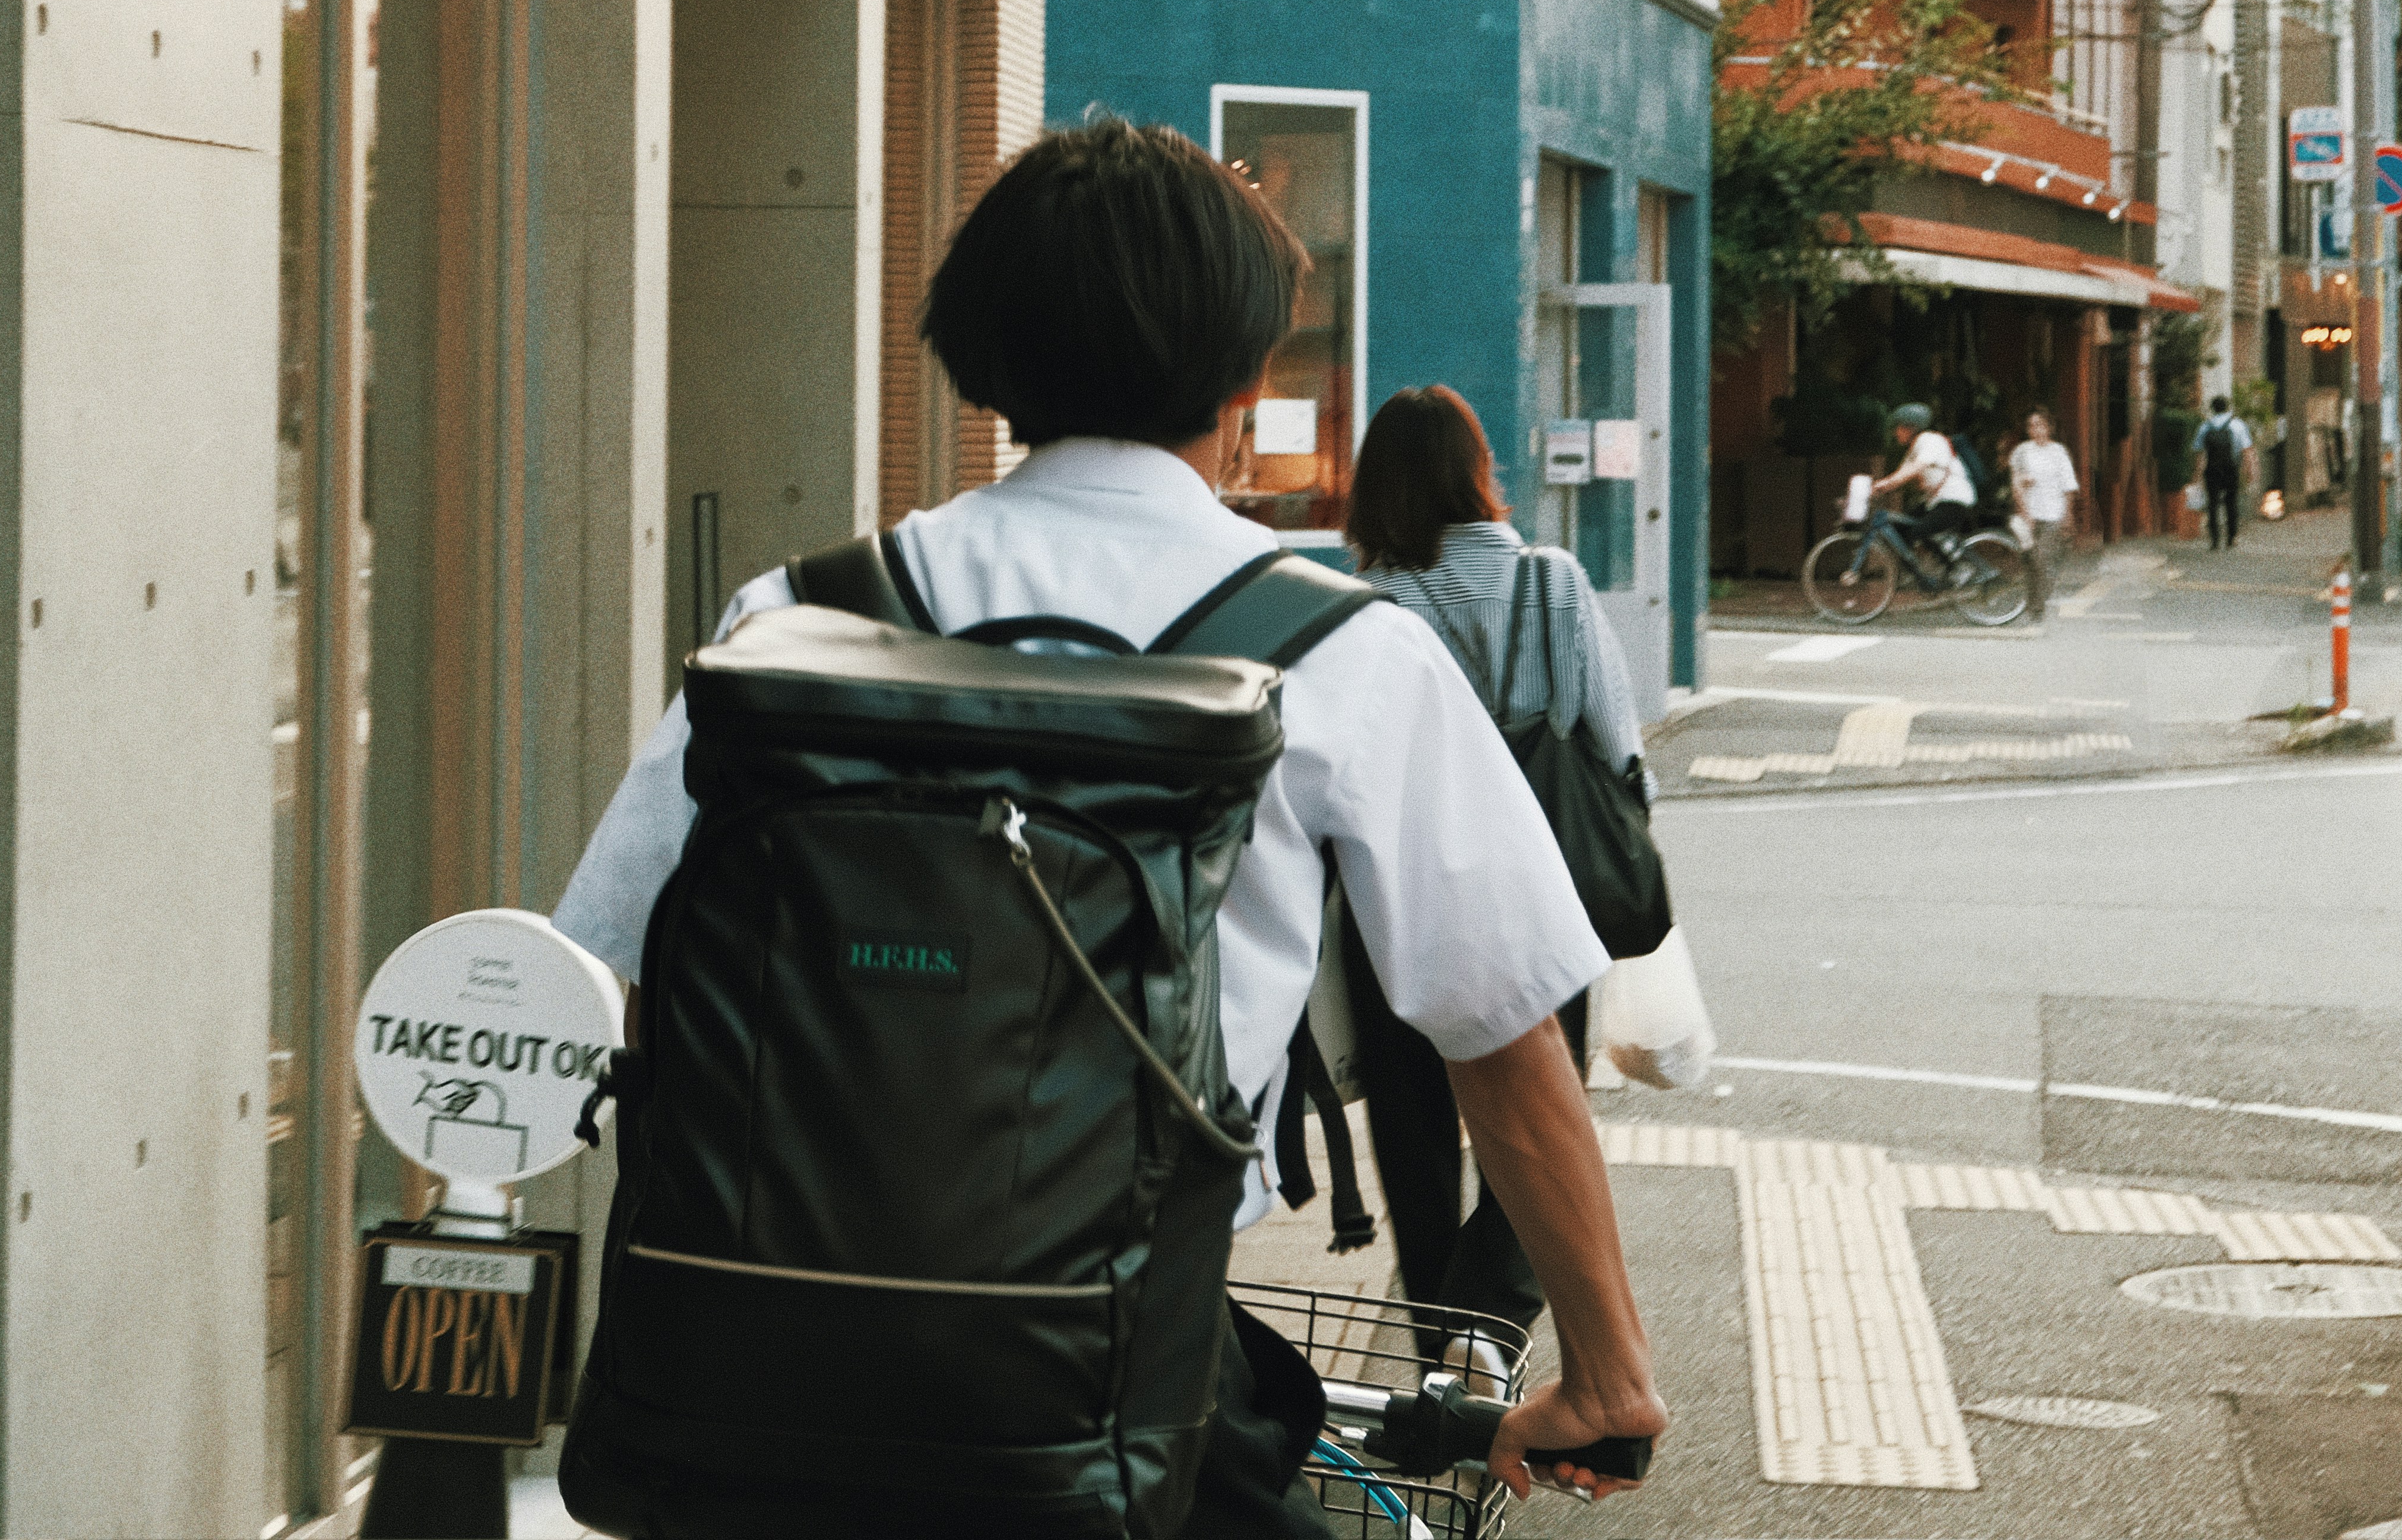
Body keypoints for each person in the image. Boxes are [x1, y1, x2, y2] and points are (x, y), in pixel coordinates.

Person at [550, 119, 1664, 1519]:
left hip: (764, 1375)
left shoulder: (801, 616)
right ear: (1248, 367)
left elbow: (645, 964)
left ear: (982, 349)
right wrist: (1606, 1375)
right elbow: (1502, 1038)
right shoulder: (1337, 651)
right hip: (1133, 1393)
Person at [1341, 385, 1647, 1375]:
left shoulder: (1372, 607)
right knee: (1544, 1106)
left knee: (1415, 1126)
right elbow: (1618, 744)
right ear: (1480, 472)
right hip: (1547, 892)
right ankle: (1488, 1319)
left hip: (1402, 902)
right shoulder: (1555, 583)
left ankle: (1442, 1361)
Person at [1866, 401, 1979, 564]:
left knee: (1920, 530)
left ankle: (1958, 567)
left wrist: (1885, 483)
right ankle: (1916, 574)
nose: (1895, 433)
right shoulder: (1914, 448)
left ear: (1910, 427)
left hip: (1954, 499)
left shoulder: (1929, 440)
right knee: (1904, 528)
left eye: (1897, 428)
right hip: (1936, 502)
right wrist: (1879, 488)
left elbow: (1914, 469)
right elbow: (1902, 475)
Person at [2005, 408, 2081, 611]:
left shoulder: (2059, 452)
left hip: (2053, 514)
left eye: (2041, 425)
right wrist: (2025, 513)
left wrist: (2068, 515)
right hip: (2029, 514)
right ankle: (2033, 603)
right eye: (2032, 426)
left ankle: (2038, 604)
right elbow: (2016, 484)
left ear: (2049, 428)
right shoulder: (2021, 452)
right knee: (2030, 561)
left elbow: (2068, 485)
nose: (2037, 430)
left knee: (2042, 559)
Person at [2195, 395, 2252, 551]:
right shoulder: (2238, 425)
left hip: (2212, 469)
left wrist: (2197, 476)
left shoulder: (2205, 426)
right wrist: (2250, 472)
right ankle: (2231, 538)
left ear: (2213, 408)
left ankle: (2214, 540)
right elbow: (2246, 451)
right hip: (2231, 469)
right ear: (2227, 407)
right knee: (2231, 503)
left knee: (2212, 504)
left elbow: (2200, 453)